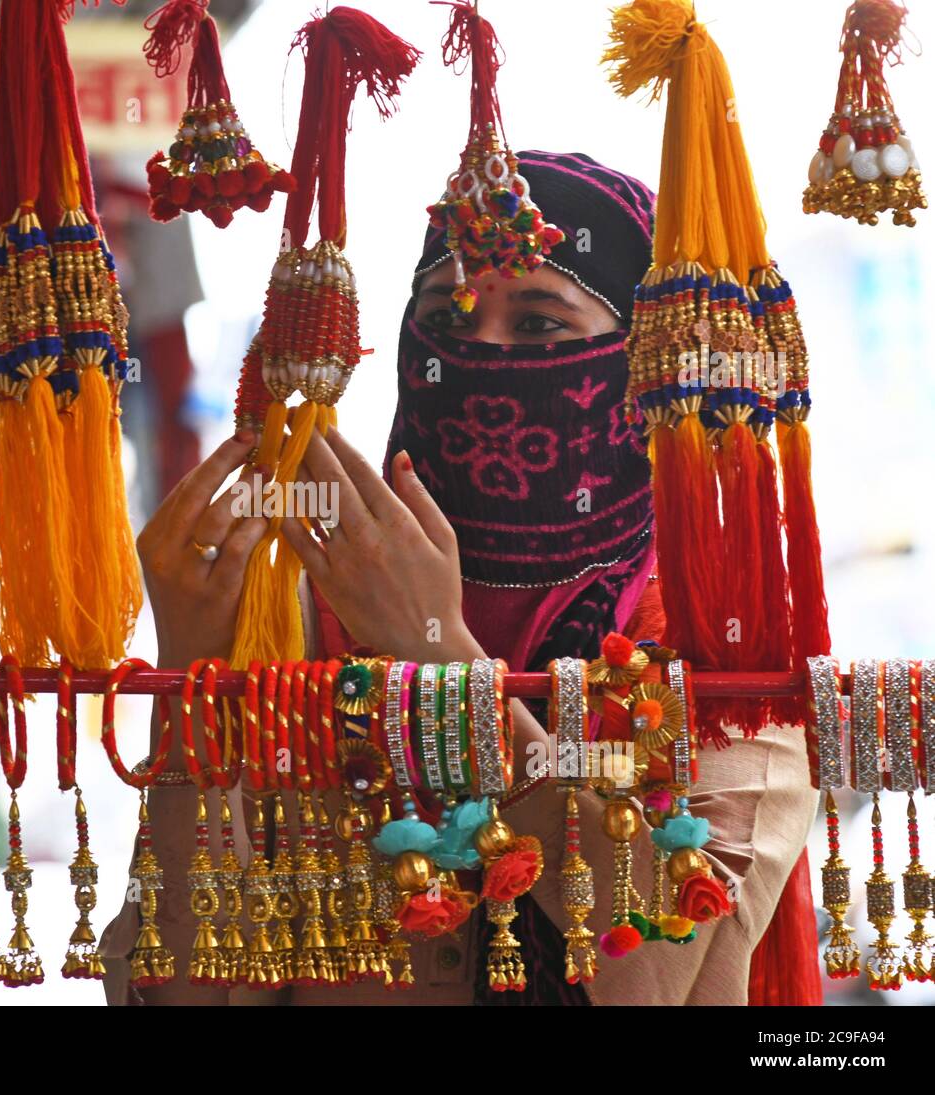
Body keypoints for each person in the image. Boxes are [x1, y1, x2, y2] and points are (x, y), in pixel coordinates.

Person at [101, 151, 820, 1006]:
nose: (481, 353)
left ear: (643, 364)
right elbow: (184, 993)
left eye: (540, 326)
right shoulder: (299, 621)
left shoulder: (724, 648)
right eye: (446, 314)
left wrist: (440, 656)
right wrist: (189, 681)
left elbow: (653, 968)